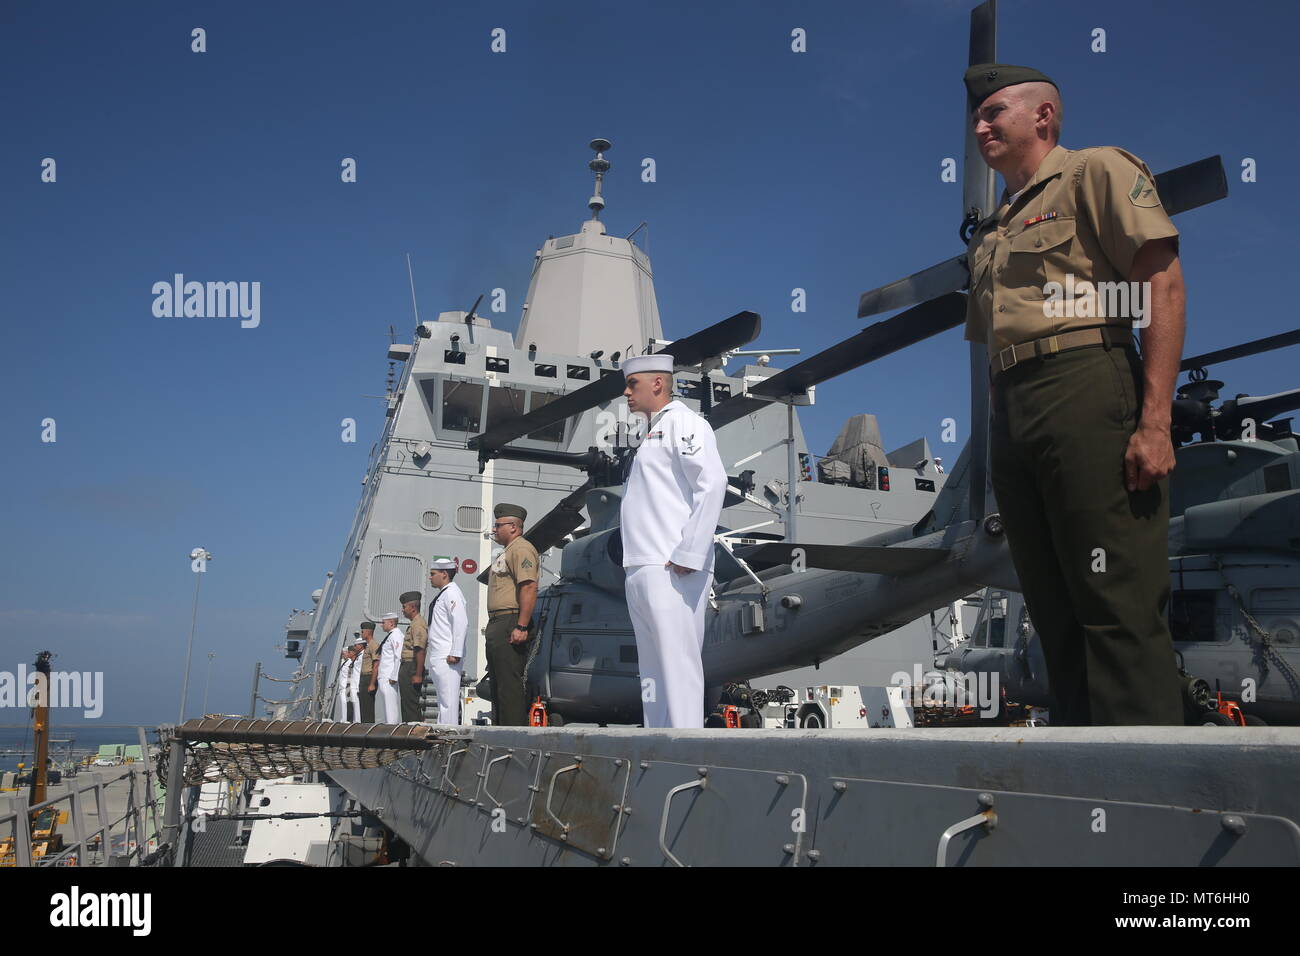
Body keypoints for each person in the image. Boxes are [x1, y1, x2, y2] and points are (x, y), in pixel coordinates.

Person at [962, 63, 1186, 725]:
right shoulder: (992, 233)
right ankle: (1085, 779)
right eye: (977, 116)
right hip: (1016, 408)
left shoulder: (1096, 172)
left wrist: (1155, 420)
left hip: (1085, 383)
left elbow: (1161, 285)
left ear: (1043, 117)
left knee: (1115, 598)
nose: (980, 126)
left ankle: (1146, 792)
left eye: (994, 111)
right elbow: (989, 344)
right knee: (1051, 606)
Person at [619, 353, 728, 728]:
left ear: (658, 384)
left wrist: (691, 551)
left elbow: (712, 483)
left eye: (633, 384)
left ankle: (687, 749)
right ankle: (658, 743)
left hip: (671, 565)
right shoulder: (653, 431)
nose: (627, 392)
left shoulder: (686, 424)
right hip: (641, 565)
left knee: (677, 664)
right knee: (652, 671)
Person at [484, 503, 538, 726]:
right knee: (498, 685)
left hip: (510, 621)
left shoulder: (521, 549)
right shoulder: (508, 551)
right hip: (499, 622)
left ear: (514, 527)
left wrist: (522, 626)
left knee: (509, 685)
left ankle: (513, 736)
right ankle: (500, 733)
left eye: (498, 525)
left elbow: (528, 587)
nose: (494, 529)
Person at [426, 558, 468, 724]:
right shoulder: (443, 594)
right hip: (439, 654)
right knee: (443, 701)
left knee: (448, 701)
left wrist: (456, 652)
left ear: (444, 574)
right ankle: (442, 735)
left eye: (433, 574)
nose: (430, 577)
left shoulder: (452, 593)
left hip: (448, 655)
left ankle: (450, 738)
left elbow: (461, 622)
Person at [399, 590, 427, 722]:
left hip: (412, 666)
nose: (402, 610)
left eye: (404, 607)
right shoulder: (414, 623)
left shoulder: (418, 624)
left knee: (411, 704)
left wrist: (418, 674)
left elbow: (420, 650)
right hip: (408, 665)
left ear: (413, 607)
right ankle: (408, 733)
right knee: (406, 703)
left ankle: (414, 736)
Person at [374, 612, 405, 724]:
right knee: (387, 705)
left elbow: (398, 656)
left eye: (383, 622)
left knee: (390, 705)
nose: (381, 625)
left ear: (391, 623)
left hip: (389, 677)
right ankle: (390, 726)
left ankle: (392, 728)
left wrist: (394, 676)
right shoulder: (391, 635)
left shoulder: (396, 635)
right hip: (385, 676)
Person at [336, 635, 365, 721]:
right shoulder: (346, 662)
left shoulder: (351, 661)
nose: (346, 654)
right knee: (346, 704)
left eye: (347, 652)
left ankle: (354, 720)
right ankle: (346, 719)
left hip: (350, 685)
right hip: (346, 686)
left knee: (350, 703)